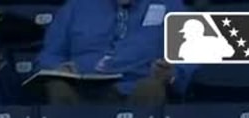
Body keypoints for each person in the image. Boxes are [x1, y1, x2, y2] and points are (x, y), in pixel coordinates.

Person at [33, 0, 195, 106]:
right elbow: (48, 55)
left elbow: (190, 58)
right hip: (83, 90)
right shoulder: (75, 6)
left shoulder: (173, 5)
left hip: (135, 88)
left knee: (150, 88)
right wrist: (59, 68)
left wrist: (172, 74)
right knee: (58, 87)